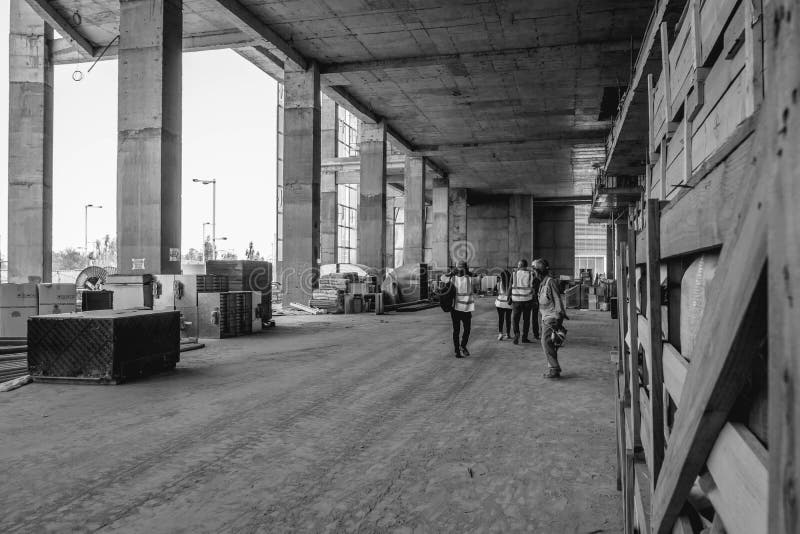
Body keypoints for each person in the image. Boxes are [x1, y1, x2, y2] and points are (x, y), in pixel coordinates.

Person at [533, 258, 568, 378]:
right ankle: (553, 369)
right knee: (551, 343)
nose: (534, 273)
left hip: (552, 317)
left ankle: (554, 368)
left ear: (539, 272)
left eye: (535, 270)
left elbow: (557, 299)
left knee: (545, 341)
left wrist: (559, 317)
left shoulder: (550, 282)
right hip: (545, 316)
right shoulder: (543, 283)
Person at [444, 260, 474, 358]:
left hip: (455, 309)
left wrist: (451, 273)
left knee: (456, 330)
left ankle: (457, 351)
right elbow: (479, 278)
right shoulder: (470, 279)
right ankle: (463, 346)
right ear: (466, 268)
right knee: (467, 330)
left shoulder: (452, 279)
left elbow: (442, 278)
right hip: (466, 309)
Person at [510, 259, 535, 344]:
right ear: (526, 266)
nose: (517, 266)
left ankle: (517, 334)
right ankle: (525, 337)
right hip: (527, 300)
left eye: (518, 265)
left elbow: (510, 286)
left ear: (520, 266)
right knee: (526, 320)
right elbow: (533, 287)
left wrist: (509, 297)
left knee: (515, 319)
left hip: (516, 300)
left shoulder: (514, 274)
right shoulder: (530, 274)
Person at [495, 270, 512, 340]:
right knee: (508, 319)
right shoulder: (511, 284)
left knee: (500, 319)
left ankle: (500, 333)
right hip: (508, 303)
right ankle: (508, 334)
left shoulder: (499, 283)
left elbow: (498, 291)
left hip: (500, 303)